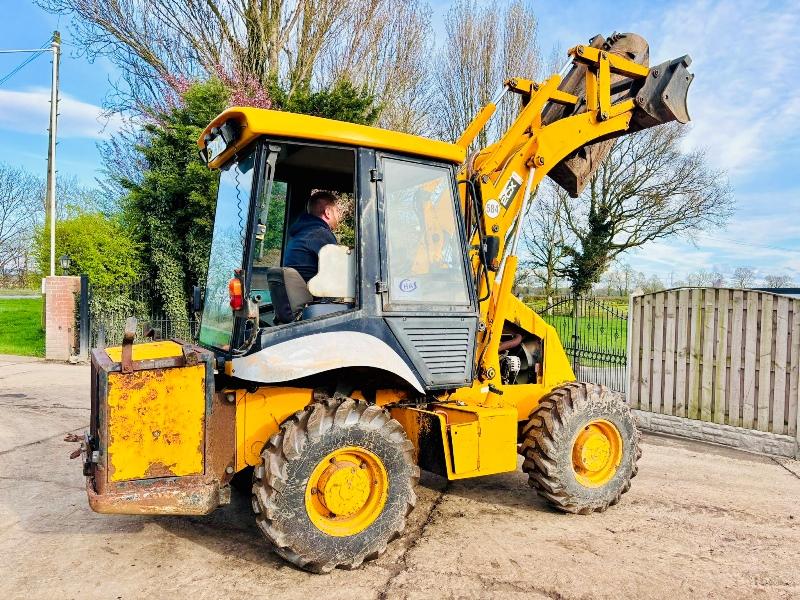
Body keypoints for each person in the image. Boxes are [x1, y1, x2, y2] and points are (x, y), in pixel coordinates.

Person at [282, 190, 341, 282]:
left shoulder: (300, 233)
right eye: (337, 211)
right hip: (313, 294)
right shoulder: (321, 234)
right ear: (328, 212)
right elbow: (339, 272)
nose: (339, 216)